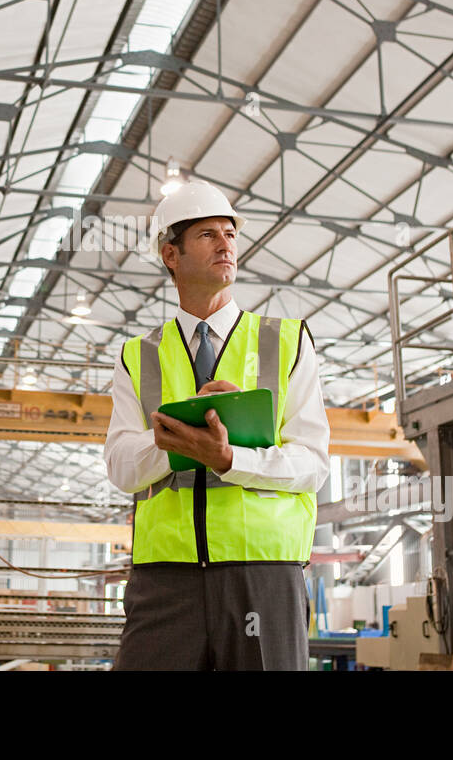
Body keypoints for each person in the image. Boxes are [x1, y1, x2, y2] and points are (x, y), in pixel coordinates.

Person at [104, 180, 330, 670]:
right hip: (166, 576)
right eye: (207, 235)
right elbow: (122, 467)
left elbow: (313, 464)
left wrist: (231, 459)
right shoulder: (138, 355)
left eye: (230, 233)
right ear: (171, 254)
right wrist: (178, 437)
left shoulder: (287, 341)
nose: (226, 243)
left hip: (262, 571)